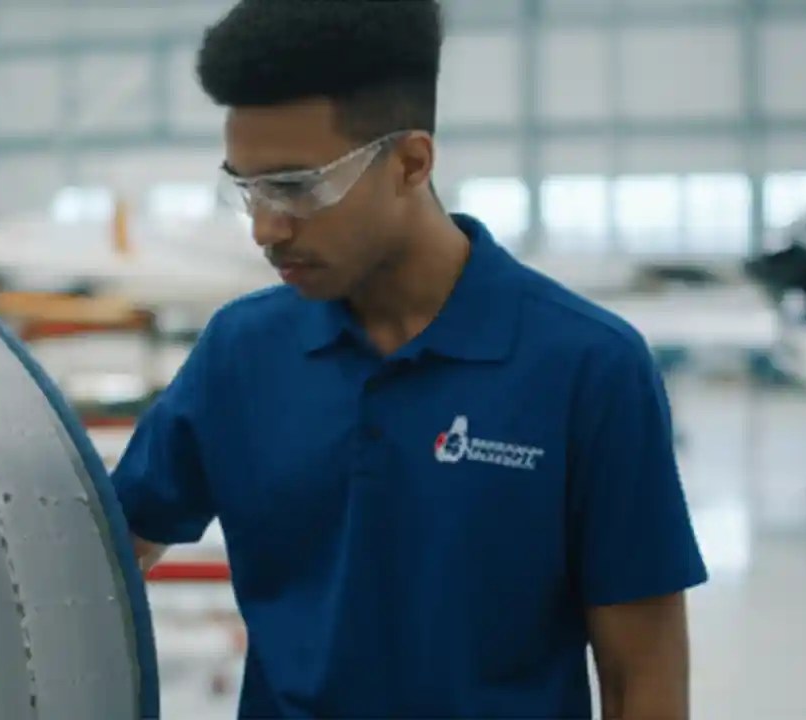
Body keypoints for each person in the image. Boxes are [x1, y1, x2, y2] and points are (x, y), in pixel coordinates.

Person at [110, 1, 708, 717]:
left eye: (299, 187)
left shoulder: (586, 368)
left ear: (412, 162)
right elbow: (102, 557)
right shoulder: (241, 354)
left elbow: (642, 677)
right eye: (248, 188)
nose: (266, 228)